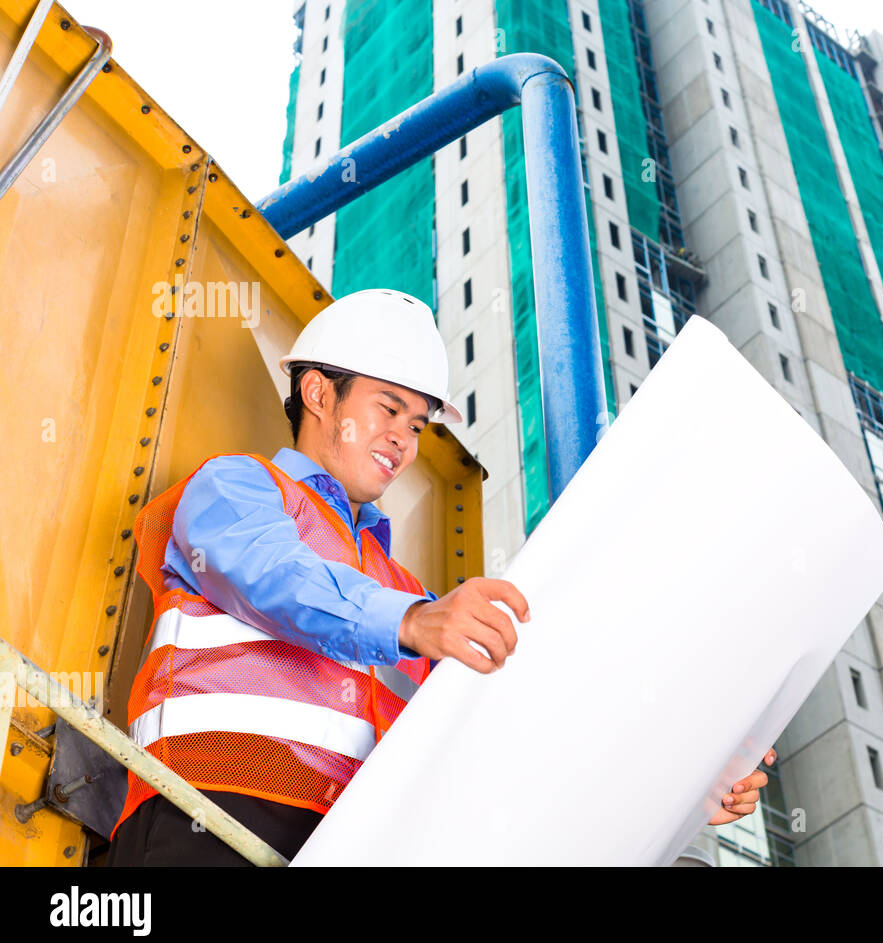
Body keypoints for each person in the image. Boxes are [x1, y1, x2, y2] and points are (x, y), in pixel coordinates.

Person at [106, 288, 774, 866]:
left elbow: (504, 721)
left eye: (418, 423)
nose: (403, 437)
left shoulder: (402, 587)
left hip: (351, 846)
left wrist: (683, 782)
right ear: (316, 392)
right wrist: (413, 622)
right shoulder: (240, 487)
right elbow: (272, 575)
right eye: (387, 408)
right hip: (202, 818)